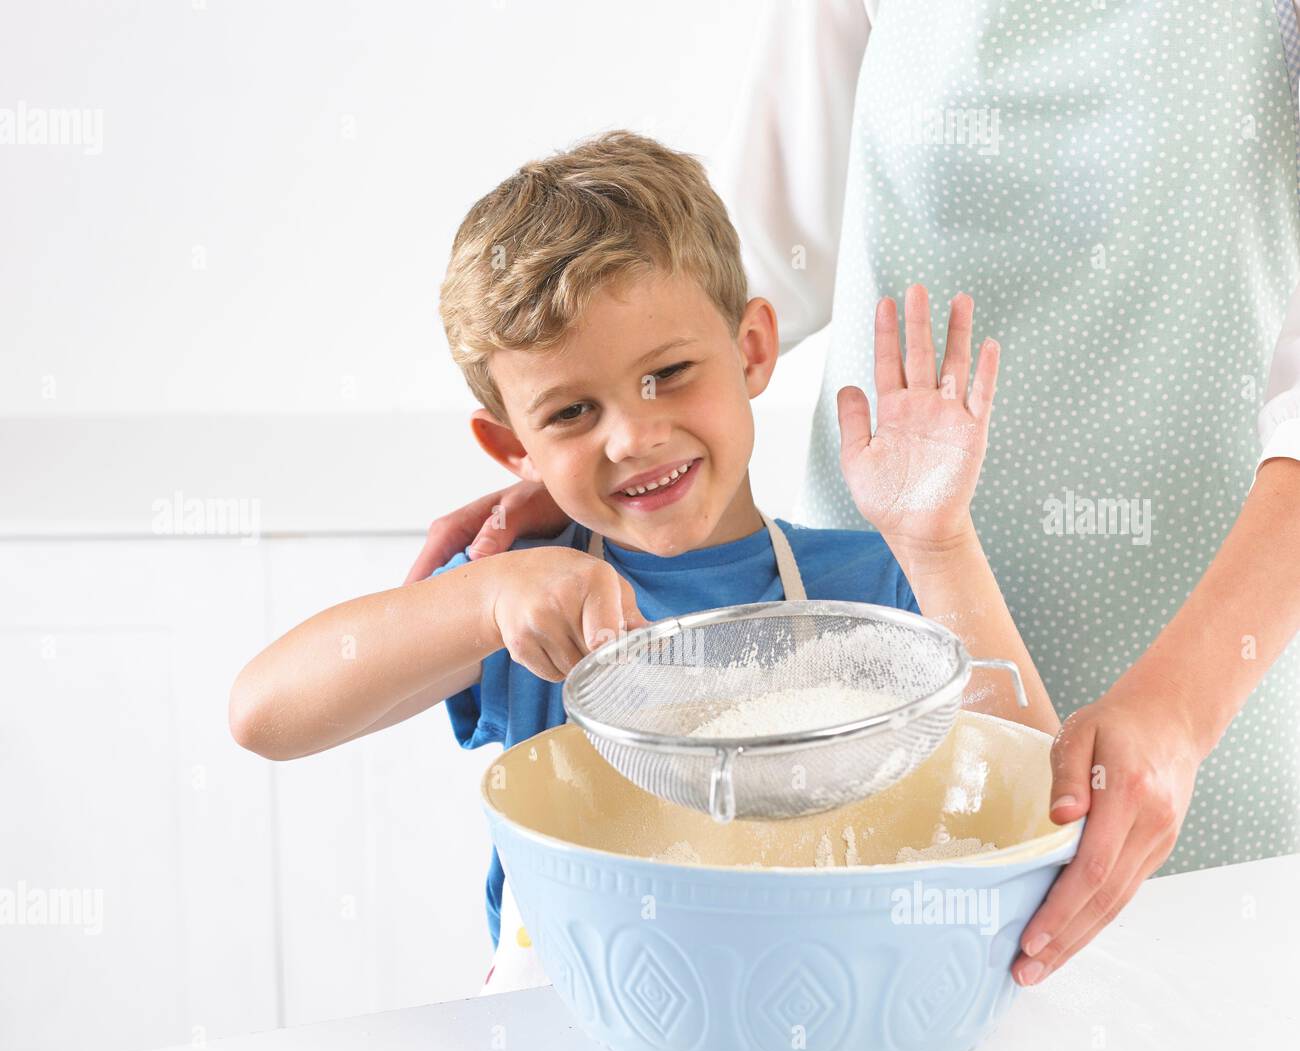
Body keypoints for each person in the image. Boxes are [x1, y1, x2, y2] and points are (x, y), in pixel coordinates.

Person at [408, 2, 1300, 991]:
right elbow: (753, 258)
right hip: (865, 638)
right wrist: (591, 452)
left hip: (1204, 646)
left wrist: (1177, 709)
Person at [229, 131, 1058, 994]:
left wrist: (937, 542)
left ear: (751, 350)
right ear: (511, 446)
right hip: (579, 1039)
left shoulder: (868, 585)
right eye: (571, 412)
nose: (632, 436)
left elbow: (1029, 802)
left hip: (822, 1010)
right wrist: (481, 599)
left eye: (668, 371)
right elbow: (264, 715)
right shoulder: (529, 604)